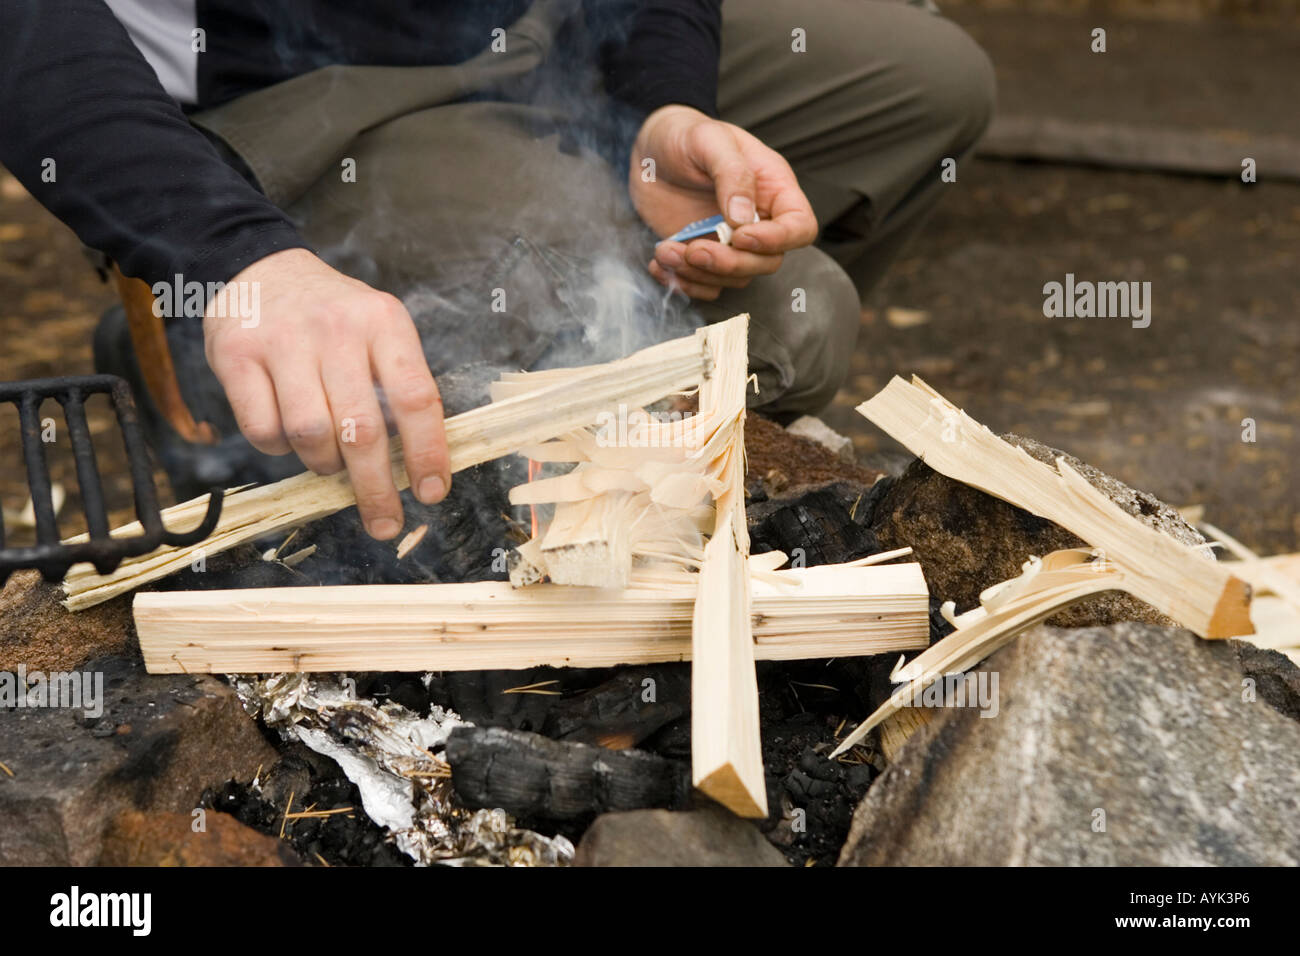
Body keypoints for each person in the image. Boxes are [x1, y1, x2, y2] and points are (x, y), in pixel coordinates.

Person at [0, 0, 994, 541]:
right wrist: (226, 255)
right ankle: (244, 343)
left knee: (929, 80)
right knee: (795, 316)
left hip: (535, 33)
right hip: (292, 96)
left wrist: (659, 109)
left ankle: (614, 438)